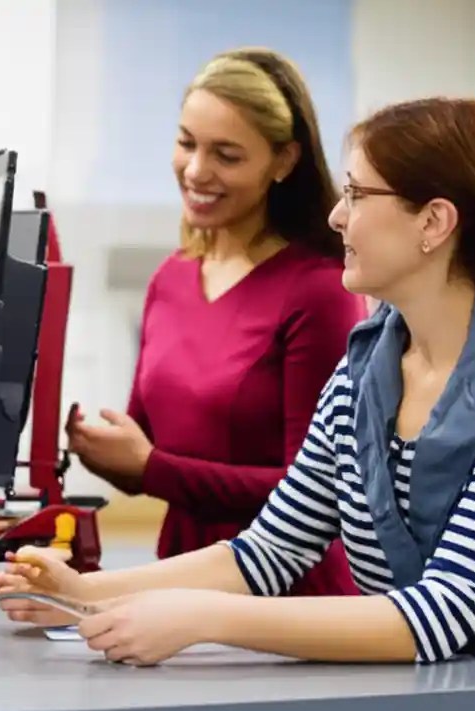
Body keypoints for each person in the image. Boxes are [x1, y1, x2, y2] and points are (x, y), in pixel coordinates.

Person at [0, 97, 475, 711]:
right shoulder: (364, 366)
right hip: (414, 688)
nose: (338, 216)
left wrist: (201, 618)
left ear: (433, 221)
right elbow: (270, 550)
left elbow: (439, 614)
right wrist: (83, 593)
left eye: (357, 194)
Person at [67, 48, 362, 595]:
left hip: (284, 598)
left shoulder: (319, 291)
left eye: (226, 155)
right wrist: (96, 447)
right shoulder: (171, 278)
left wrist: (150, 468)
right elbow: (147, 450)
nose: (196, 170)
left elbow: (317, 492)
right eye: (187, 143)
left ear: (283, 161)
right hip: (179, 584)